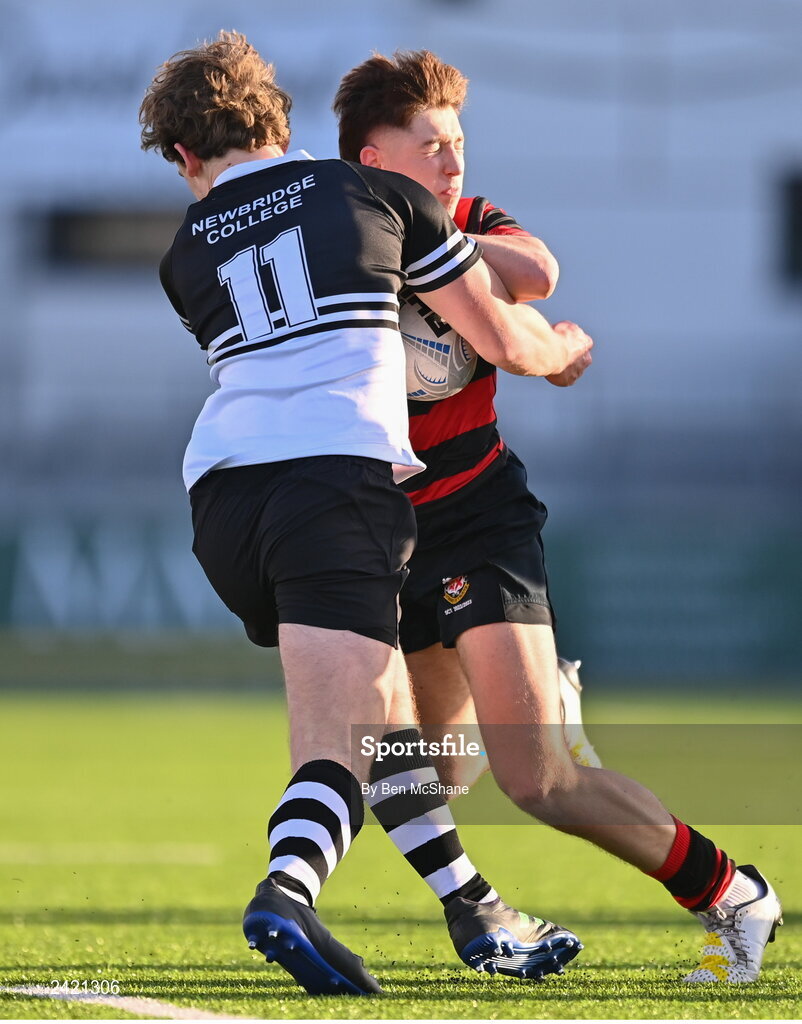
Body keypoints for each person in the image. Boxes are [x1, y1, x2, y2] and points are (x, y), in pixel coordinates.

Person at [139, 31, 594, 996]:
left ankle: (476, 909)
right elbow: (505, 339)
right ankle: (285, 896)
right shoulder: (377, 195)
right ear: (282, 119)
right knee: (341, 754)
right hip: (338, 486)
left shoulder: (183, 252)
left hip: (222, 498)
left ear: (185, 159)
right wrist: (563, 348)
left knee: (390, 725)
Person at [333, 49, 783, 984]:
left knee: (539, 782)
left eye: (458, 142)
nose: (455, 163)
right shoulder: (339, 240)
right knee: (423, 775)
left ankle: (735, 892)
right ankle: (535, 693)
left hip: (478, 517)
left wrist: (449, 246)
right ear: (374, 162)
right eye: (433, 147)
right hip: (390, 538)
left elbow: (538, 267)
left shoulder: (466, 222)